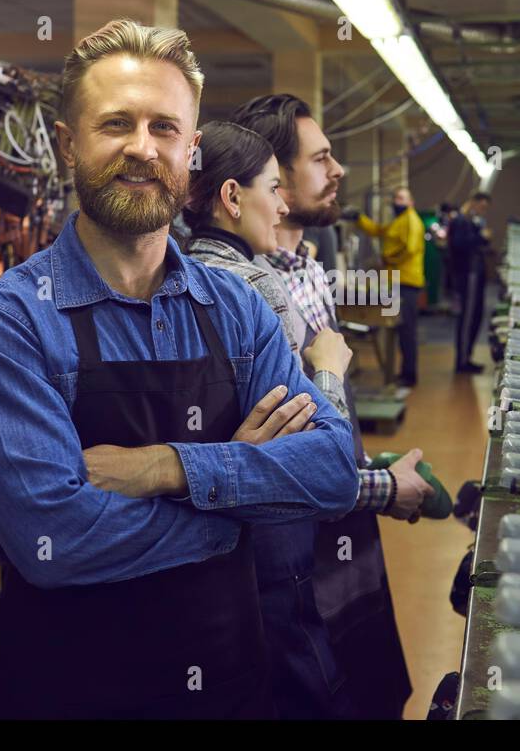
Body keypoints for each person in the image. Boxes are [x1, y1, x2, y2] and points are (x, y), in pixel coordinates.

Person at [0, 19, 358, 719]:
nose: (143, 147)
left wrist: (168, 467)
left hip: (228, 687)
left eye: (165, 127)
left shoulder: (234, 307)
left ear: (191, 149)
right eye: (116, 124)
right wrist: (238, 500)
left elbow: (332, 468)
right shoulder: (11, 323)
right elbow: (55, 541)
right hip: (65, 697)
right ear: (67, 142)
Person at [181, 120, 428, 718]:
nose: (284, 202)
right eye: (274, 185)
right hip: (272, 548)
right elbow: (325, 461)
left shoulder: (196, 271)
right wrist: (328, 368)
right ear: (232, 198)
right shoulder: (251, 287)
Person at [354, 186, 426, 387]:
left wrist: (387, 259)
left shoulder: (411, 221)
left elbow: (409, 249)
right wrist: (359, 218)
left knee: (407, 330)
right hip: (396, 281)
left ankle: (410, 375)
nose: (397, 201)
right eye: (395, 198)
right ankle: (402, 372)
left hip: (407, 283)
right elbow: (379, 231)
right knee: (400, 329)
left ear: (411, 202)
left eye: (402, 198)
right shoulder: (398, 221)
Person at [448, 192, 493, 373]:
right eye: (481, 207)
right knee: (467, 318)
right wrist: (482, 237)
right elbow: (460, 245)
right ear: (473, 203)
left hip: (473, 274)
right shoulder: (461, 221)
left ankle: (467, 357)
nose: (482, 211)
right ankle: (462, 361)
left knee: (475, 317)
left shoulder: (470, 221)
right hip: (468, 276)